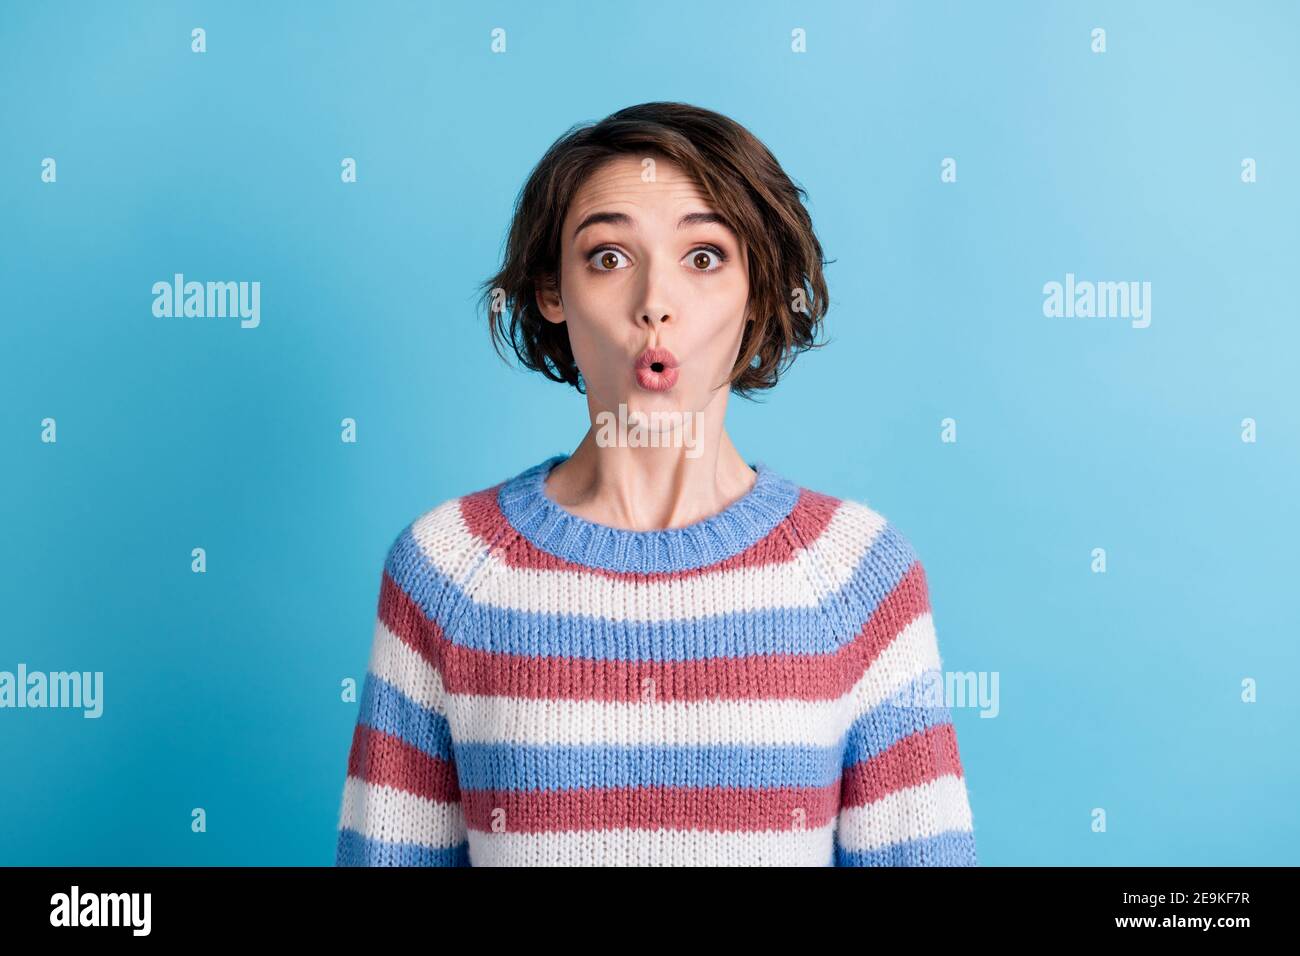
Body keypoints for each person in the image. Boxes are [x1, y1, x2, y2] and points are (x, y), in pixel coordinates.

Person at [334, 101, 977, 866]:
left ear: (759, 294)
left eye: (703, 257)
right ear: (550, 292)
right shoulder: (446, 569)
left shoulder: (858, 575)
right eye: (608, 256)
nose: (654, 306)